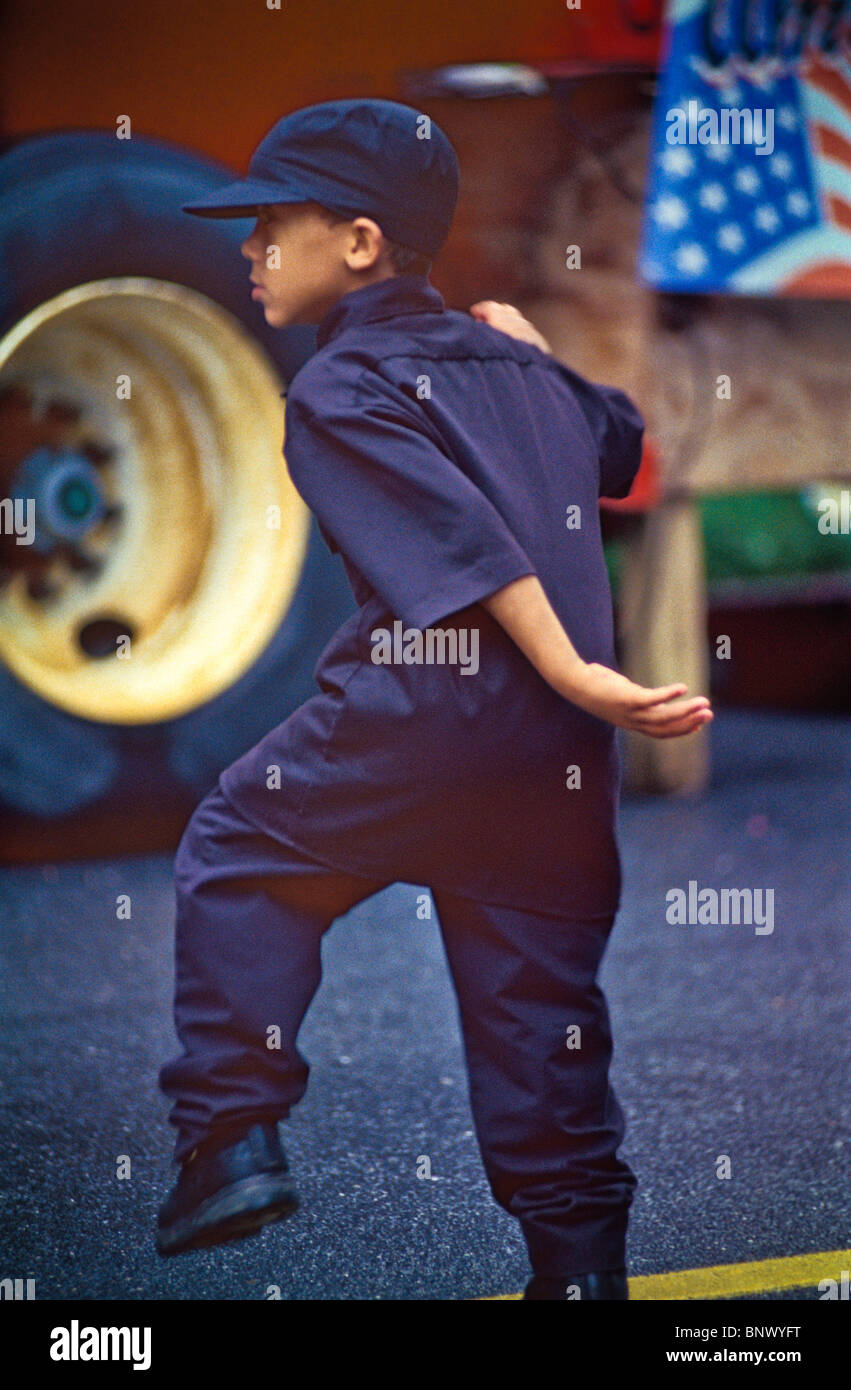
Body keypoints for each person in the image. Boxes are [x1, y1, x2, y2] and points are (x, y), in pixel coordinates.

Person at [156, 98, 713, 1298]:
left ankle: (228, 1139)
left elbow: (456, 543)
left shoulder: (340, 387)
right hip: (554, 760)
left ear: (359, 243)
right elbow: (620, 446)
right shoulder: (507, 359)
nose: (248, 248)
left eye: (269, 224)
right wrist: (533, 357)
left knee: (242, 849)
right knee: (538, 1017)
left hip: (430, 717)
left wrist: (566, 663)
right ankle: (577, 1276)